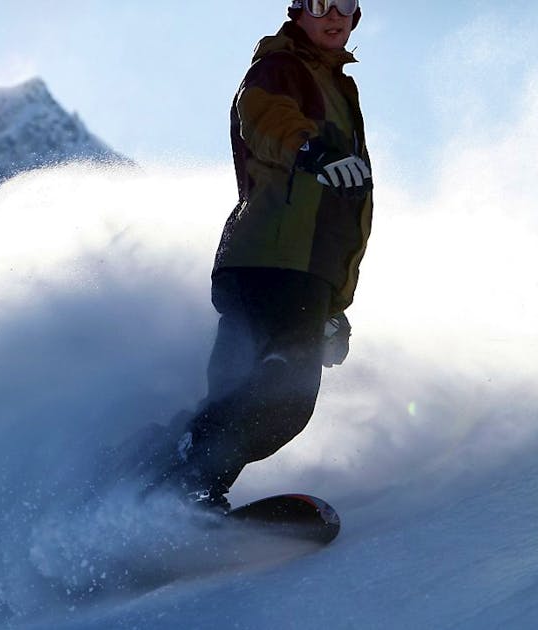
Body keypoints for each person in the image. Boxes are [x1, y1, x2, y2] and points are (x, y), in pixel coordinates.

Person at [150, 0, 374, 510]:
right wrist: (310, 149)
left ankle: (150, 477)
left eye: (346, 1)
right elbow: (264, 116)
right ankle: (188, 490)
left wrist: (333, 308)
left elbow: (339, 216)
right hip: (278, 265)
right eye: (320, 2)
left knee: (237, 393)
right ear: (297, 10)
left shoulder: (335, 84)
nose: (334, 13)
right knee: (285, 399)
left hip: (272, 266)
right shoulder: (282, 67)